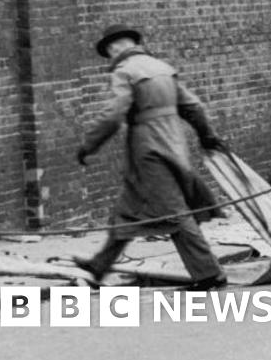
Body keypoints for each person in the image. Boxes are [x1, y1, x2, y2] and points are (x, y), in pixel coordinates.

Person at [76, 25, 229, 291]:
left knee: (174, 213)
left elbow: (113, 114)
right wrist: (207, 136)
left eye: (110, 51)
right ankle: (99, 265)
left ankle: (209, 274)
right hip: (173, 144)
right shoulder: (162, 67)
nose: (111, 56)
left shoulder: (124, 72)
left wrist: (89, 145)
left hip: (148, 151)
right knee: (126, 211)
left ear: (114, 48)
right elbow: (193, 106)